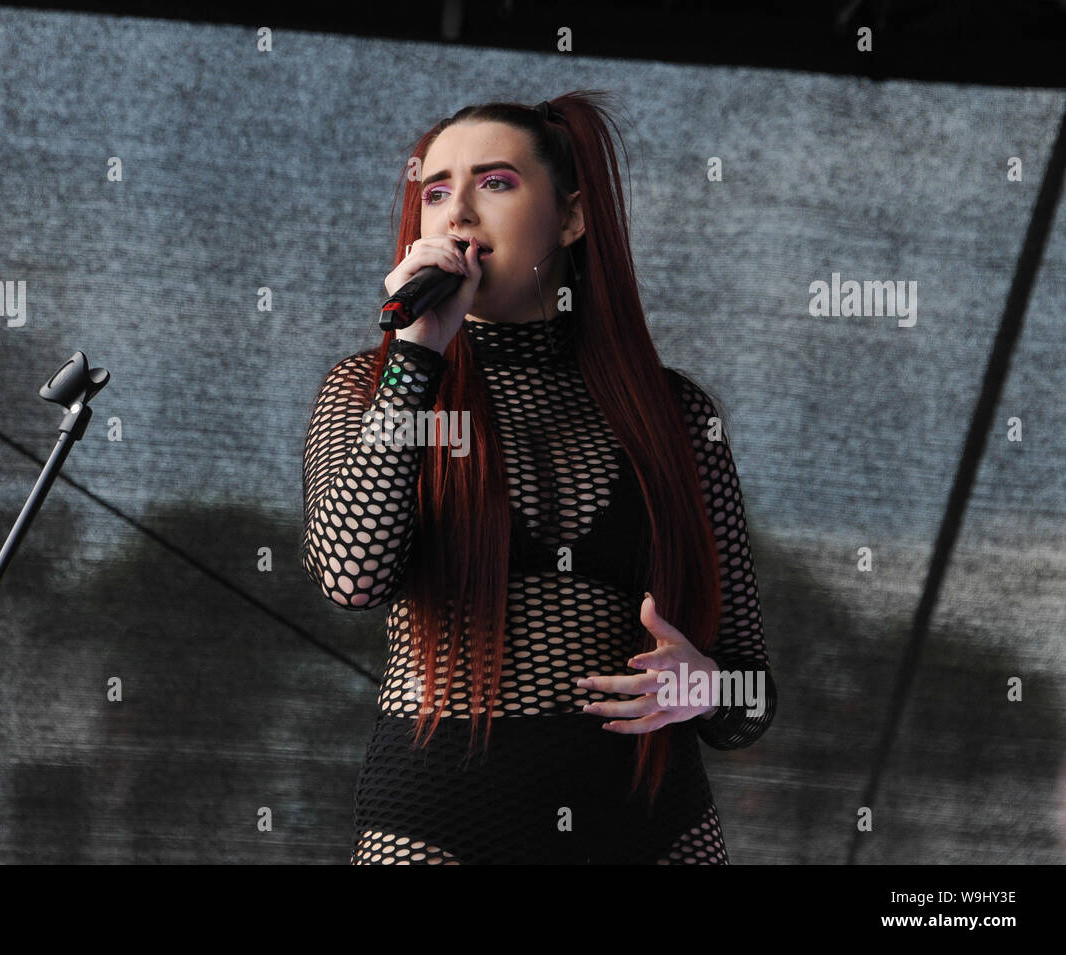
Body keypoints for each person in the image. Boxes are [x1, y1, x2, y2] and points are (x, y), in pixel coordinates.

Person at [300, 90, 777, 864]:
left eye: (494, 184)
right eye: (436, 191)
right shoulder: (367, 387)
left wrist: (711, 687)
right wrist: (415, 358)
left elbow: (752, 694)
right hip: (437, 819)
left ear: (573, 218)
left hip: (649, 819)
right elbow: (353, 577)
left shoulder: (673, 413)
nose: (457, 214)